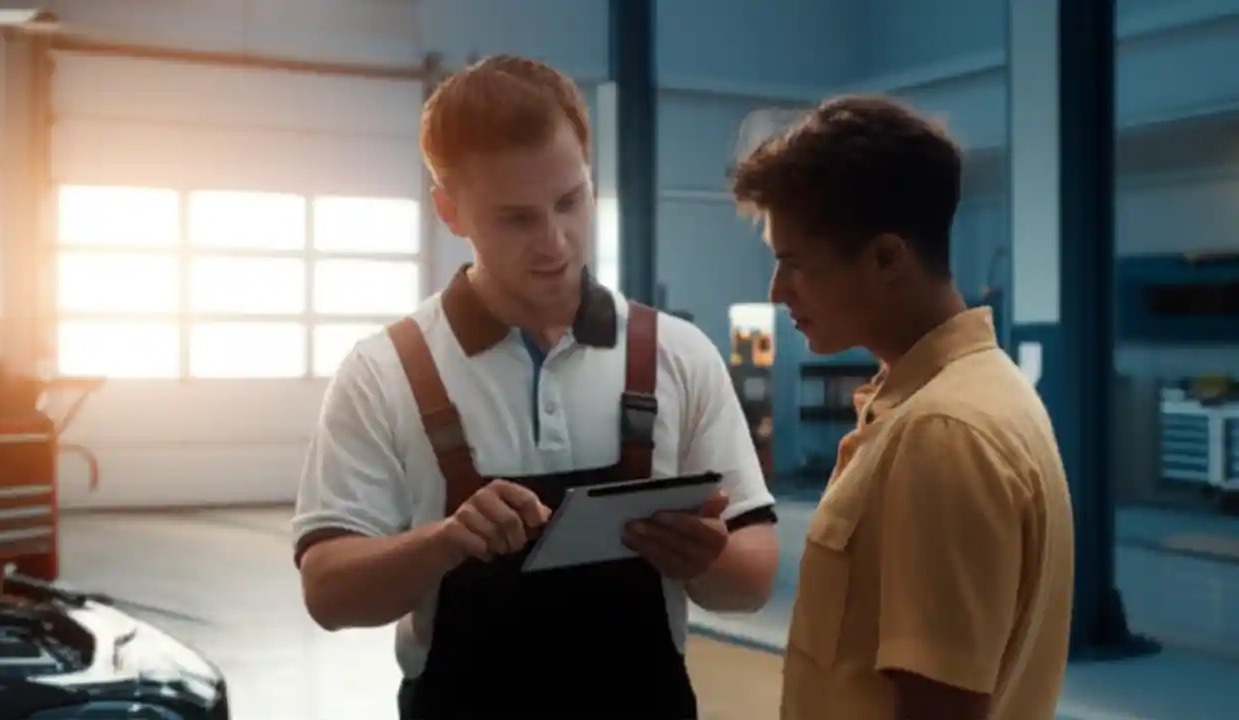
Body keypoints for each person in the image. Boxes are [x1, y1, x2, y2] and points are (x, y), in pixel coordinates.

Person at [293, 55, 780, 719]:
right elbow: (328, 592)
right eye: (516, 219)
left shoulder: (676, 356)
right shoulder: (386, 372)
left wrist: (708, 559)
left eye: (571, 202)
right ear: (449, 210)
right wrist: (443, 543)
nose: (555, 242)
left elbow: (752, 577)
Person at [731, 95, 1075, 720]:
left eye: (793, 264)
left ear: (888, 257)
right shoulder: (973, 393)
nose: (778, 291)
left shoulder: (943, 434)